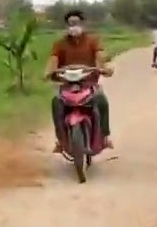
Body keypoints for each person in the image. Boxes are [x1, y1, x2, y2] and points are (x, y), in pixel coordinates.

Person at [46, 10, 115, 152]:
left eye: (76, 23)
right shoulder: (60, 44)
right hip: (66, 84)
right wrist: (48, 72)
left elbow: (99, 56)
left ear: (82, 24)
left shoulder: (92, 41)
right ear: (67, 25)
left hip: (89, 83)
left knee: (101, 100)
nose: (73, 26)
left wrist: (104, 68)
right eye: (70, 23)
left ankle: (105, 137)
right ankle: (61, 140)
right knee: (56, 103)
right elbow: (53, 60)